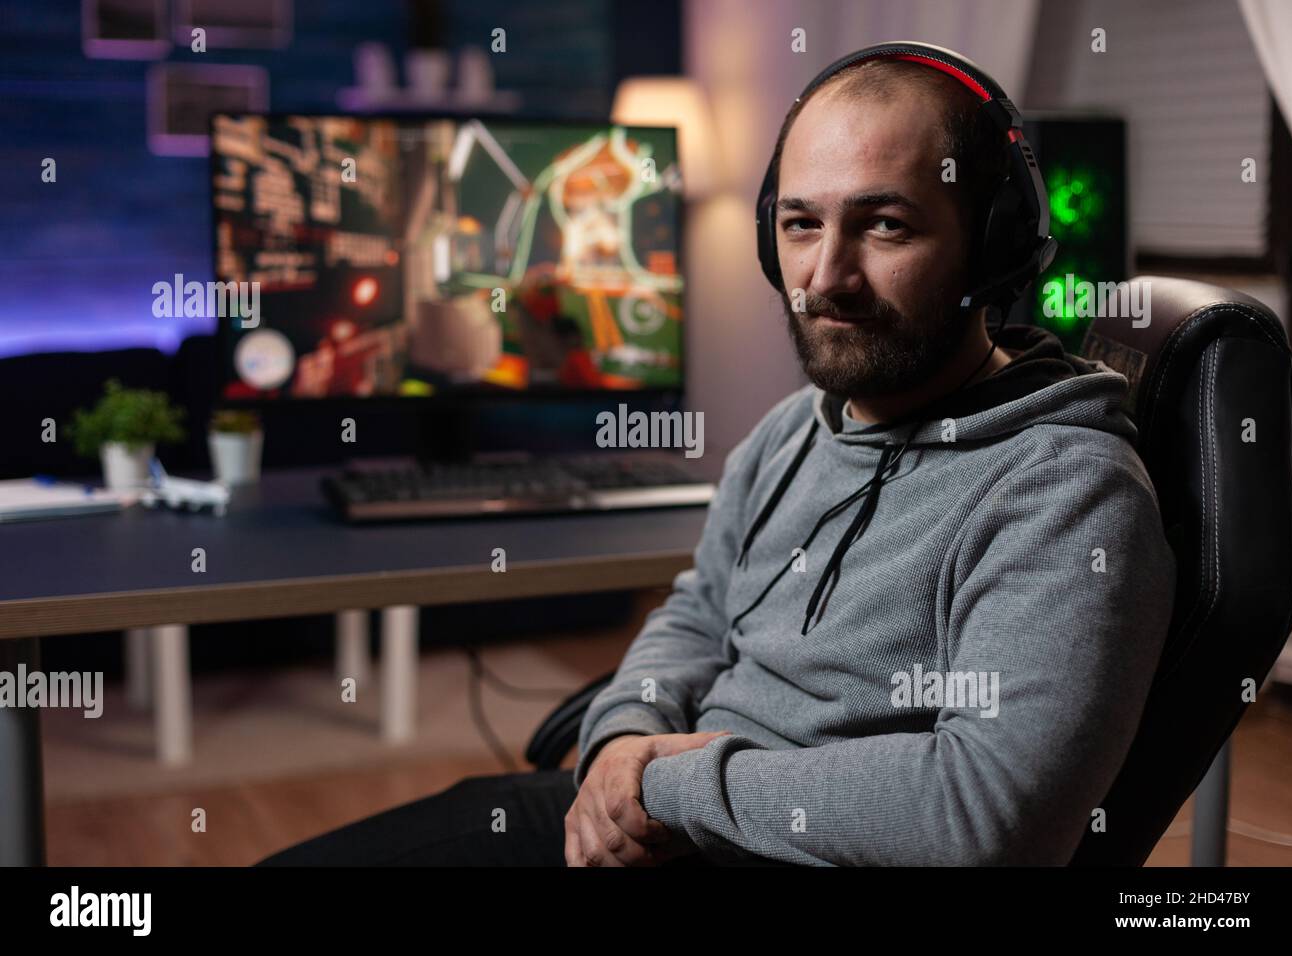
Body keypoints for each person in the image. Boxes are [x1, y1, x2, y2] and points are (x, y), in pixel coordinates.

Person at [260, 44, 1175, 868]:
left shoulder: (1064, 490)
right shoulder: (792, 430)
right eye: (802, 224)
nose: (825, 277)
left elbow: (987, 814)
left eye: (886, 225)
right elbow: (700, 612)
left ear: (996, 249)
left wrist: (666, 786)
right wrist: (623, 734)